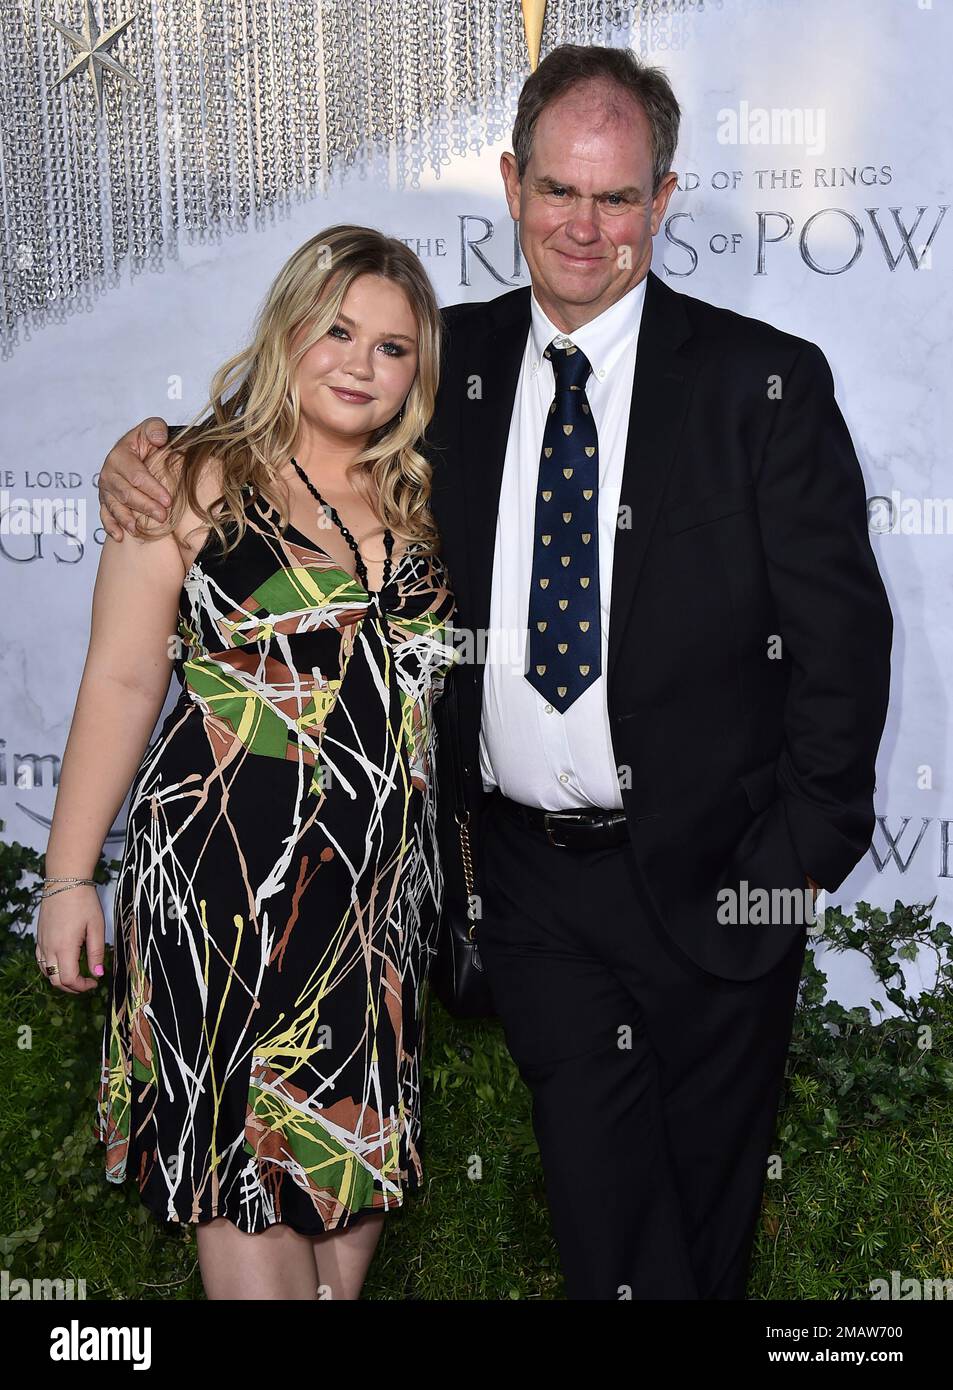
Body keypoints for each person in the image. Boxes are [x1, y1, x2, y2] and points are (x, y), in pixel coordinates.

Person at [94, 44, 893, 1300]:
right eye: (560, 191)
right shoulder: (435, 369)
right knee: (602, 1219)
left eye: (618, 197)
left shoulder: (759, 384)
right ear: (512, 184)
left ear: (663, 201)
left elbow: (843, 654)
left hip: (720, 878)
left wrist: (786, 870)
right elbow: (273, 433)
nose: (585, 226)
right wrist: (142, 453)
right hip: (530, 890)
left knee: (705, 1221)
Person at [37, 224, 456, 1300]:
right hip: (222, 902)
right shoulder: (189, 478)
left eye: (392, 346)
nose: (360, 361)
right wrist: (70, 877)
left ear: (420, 370)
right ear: (287, 330)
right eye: (336, 329)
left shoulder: (422, 507)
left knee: (335, 1225)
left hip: (370, 923)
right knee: (245, 1192)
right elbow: (122, 684)